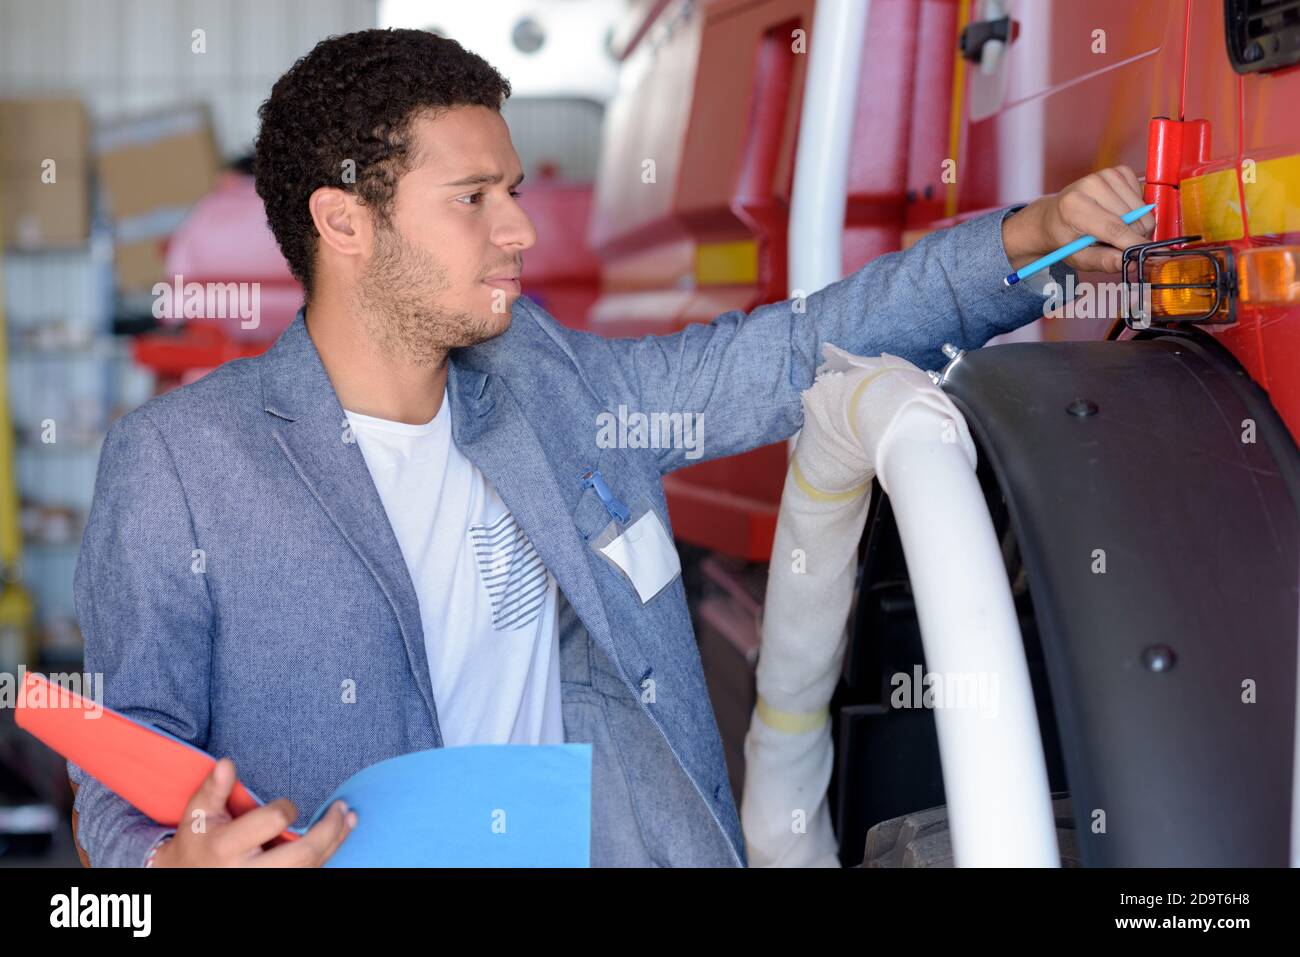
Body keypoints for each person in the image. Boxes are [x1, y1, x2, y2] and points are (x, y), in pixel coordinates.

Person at [70, 28, 1154, 867]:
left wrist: (1027, 240)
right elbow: (124, 762)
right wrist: (172, 858)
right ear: (344, 224)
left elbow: (783, 356)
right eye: (472, 200)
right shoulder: (179, 463)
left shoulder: (549, 384)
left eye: (514, 193)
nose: (521, 231)